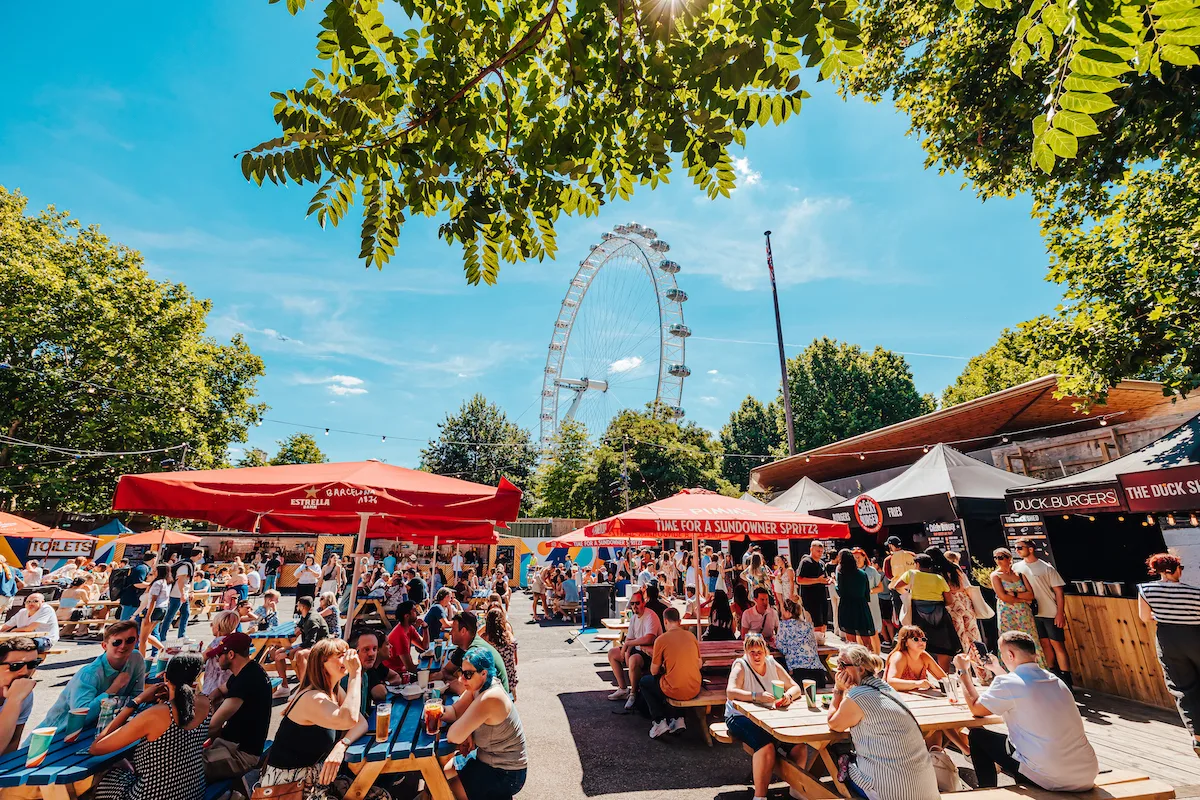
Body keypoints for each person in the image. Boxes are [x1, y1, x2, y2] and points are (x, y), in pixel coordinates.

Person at [956, 631, 1097, 790]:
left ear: (1010, 655)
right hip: (1086, 773)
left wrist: (963, 672)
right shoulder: (1055, 680)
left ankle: (986, 792)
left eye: (1001, 654)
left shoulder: (1007, 683)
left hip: (1053, 777)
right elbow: (1021, 687)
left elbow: (976, 708)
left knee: (977, 736)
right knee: (1019, 748)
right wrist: (996, 668)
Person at [257, 638, 368, 798]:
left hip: (315, 779)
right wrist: (355, 674)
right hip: (288, 787)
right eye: (340, 655)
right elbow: (349, 719)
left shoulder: (333, 691)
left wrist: (342, 745)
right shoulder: (312, 697)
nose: (347, 658)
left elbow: (360, 722)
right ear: (322, 664)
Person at [90, 654, 211, 800]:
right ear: (197, 677)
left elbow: (97, 748)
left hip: (153, 795)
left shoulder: (157, 713)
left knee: (105, 775)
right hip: (192, 790)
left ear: (165, 677)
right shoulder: (207, 704)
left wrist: (136, 702)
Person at [828, 644, 941, 800]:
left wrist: (838, 690)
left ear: (860, 669)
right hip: (925, 791)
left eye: (841, 665)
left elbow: (834, 724)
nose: (838, 670)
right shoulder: (886, 688)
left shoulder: (858, 696)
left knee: (835, 752)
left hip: (889, 792)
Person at [724, 633, 807, 800]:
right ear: (746, 652)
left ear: (765, 651)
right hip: (739, 716)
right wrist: (756, 696)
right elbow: (731, 692)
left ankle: (796, 788)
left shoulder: (771, 663)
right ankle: (760, 796)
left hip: (769, 716)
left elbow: (795, 687)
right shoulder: (740, 665)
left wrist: (788, 697)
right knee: (766, 746)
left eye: (759, 651)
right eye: (752, 652)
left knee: (799, 746)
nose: (756, 655)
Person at [441, 647, 528, 799]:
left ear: (484, 673)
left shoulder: (490, 697)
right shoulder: (480, 685)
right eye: (462, 672)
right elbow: (454, 712)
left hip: (507, 773)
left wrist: (466, 731)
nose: (462, 679)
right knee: (447, 769)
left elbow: (453, 736)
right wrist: (436, 710)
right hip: (490, 760)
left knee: (447, 780)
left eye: (468, 674)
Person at [1138, 552, 1200, 754]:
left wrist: (1163, 614)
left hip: (1168, 639)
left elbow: (1145, 618)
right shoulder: (1194, 592)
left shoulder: (1146, 590)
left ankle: (1197, 736)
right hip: (1195, 637)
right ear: (1174, 570)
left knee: (1183, 687)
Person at [39, 620, 144, 731]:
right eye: (116, 642)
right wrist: (113, 689)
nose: (123, 646)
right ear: (104, 646)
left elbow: (136, 696)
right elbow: (81, 716)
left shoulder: (135, 658)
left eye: (130, 640)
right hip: (59, 732)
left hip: (100, 726)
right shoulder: (89, 674)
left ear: (137, 640)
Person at [204, 632, 274, 781]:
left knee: (183, 767)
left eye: (219, 654)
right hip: (231, 745)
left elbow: (213, 726)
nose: (217, 658)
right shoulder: (247, 671)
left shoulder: (247, 680)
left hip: (240, 754)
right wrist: (210, 702)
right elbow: (219, 691)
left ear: (230, 654)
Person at [1012, 539, 1072, 687]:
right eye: (1015, 548)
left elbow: (1058, 591)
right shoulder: (1016, 567)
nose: (1017, 551)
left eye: (1020, 548)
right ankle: (1052, 673)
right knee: (1043, 644)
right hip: (1032, 612)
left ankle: (1066, 680)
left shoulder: (1046, 567)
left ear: (1030, 549)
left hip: (1050, 610)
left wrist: (1060, 612)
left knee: (1058, 644)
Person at [640, 607, 701, 738]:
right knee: (680, 675)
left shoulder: (661, 639)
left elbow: (654, 671)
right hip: (695, 687)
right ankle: (679, 719)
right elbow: (699, 664)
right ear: (679, 621)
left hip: (675, 689)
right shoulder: (691, 636)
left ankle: (659, 721)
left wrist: (664, 666)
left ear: (665, 621)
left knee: (645, 682)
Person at [892, 553, 957, 670]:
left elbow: (896, 586)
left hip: (918, 613)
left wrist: (907, 594)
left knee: (916, 644)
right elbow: (949, 600)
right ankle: (944, 676)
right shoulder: (939, 578)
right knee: (944, 646)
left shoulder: (911, 574)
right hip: (940, 613)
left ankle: (920, 673)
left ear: (917, 564)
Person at [989, 548, 1046, 667]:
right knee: (1009, 640)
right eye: (995, 557)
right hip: (1007, 613)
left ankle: (1037, 666)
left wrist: (1014, 595)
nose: (997, 560)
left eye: (1001, 557)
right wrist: (1023, 599)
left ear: (1009, 558)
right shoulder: (995, 576)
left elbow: (1031, 594)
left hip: (1024, 612)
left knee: (1030, 638)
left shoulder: (1020, 574)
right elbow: (1003, 597)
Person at [607, 589, 662, 712]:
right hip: (637, 649)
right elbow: (630, 637)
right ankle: (623, 688)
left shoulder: (650, 616)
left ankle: (633, 693)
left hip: (650, 653)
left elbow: (649, 638)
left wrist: (628, 644)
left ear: (644, 602)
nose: (634, 606)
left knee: (633, 659)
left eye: (637, 603)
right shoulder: (634, 618)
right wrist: (626, 650)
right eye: (632, 604)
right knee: (612, 653)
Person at [928, 546, 981, 660]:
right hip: (965, 601)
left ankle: (964, 669)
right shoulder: (954, 567)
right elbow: (962, 586)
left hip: (951, 605)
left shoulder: (935, 572)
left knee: (960, 638)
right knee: (974, 635)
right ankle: (983, 670)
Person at [272, 596, 329, 699]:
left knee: (300, 654)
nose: (297, 606)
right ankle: (284, 687)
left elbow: (310, 643)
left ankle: (304, 688)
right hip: (310, 644)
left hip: (321, 647)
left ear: (302, 607)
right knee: (278, 652)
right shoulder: (305, 616)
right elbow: (298, 628)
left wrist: (288, 653)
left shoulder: (312, 619)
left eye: (298, 604)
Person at [446, 611, 511, 694]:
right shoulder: (464, 646)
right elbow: (446, 671)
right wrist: (451, 680)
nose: (450, 632)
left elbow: (463, 689)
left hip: (494, 702)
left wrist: (446, 684)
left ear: (463, 631)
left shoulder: (475, 653)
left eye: (453, 629)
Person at [347, 628, 400, 715]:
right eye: (366, 649)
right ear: (354, 652)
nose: (371, 654)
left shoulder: (364, 676)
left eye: (374, 649)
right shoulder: (346, 679)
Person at [835, 548, 878, 653]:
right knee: (866, 639)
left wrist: (834, 583)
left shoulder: (841, 573)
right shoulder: (862, 573)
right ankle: (870, 660)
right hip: (861, 605)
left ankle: (854, 661)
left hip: (847, 605)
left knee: (851, 640)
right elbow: (866, 593)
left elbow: (840, 592)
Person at [0, 637, 39, 753]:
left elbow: (12, 742)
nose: (24, 672)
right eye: (15, 666)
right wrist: (14, 700)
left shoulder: (24, 694)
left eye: (32, 664)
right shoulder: (19, 696)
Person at [777, 598, 827, 687]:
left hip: (799, 673)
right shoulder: (808, 625)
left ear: (787, 611)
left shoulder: (784, 625)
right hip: (818, 672)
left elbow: (782, 648)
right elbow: (814, 646)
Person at [883, 625, 946, 691]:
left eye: (923, 639)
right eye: (916, 639)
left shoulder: (924, 656)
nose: (921, 642)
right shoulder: (899, 656)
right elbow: (891, 682)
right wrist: (916, 683)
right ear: (905, 642)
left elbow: (944, 678)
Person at [160, 548, 200, 642]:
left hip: (182, 594)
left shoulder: (190, 564)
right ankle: (162, 637)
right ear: (199, 554)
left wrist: (190, 592)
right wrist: (182, 594)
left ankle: (182, 636)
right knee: (170, 616)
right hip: (177, 594)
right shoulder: (185, 566)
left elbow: (188, 581)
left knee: (186, 613)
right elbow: (180, 581)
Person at [482, 606, 519, 700]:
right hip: (508, 676)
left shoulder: (485, 638)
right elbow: (515, 658)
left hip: (493, 677)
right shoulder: (508, 636)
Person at [202, 611, 241, 694]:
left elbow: (203, 658)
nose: (211, 627)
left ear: (218, 627)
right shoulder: (234, 641)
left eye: (212, 624)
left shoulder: (217, 642)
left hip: (214, 685)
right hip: (230, 683)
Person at [385, 600, 427, 675]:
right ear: (406, 616)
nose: (418, 613)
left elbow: (424, 646)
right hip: (395, 674)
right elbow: (410, 668)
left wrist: (425, 628)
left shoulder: (409, 628)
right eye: (414, 611)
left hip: (402, 670)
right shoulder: (400, 635)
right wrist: (426, 670)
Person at [883, 536, 918, 626]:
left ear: (891, 545)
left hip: (898, 589)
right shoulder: (912, 555)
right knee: (915, 614)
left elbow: (888, 575)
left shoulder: (888, 559)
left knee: (901, 614)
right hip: (914, 588)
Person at [797, 541, 830, 636]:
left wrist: (828, 580)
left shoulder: (822, 563)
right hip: (810, 599)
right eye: (818, 551)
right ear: (811, 549)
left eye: (821, 551)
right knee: (813, 626)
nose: (820, 553)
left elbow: (824, 578)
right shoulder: (806, 562)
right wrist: (817, 580)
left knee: (823, 625)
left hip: (822, 598)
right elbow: (799, 580)